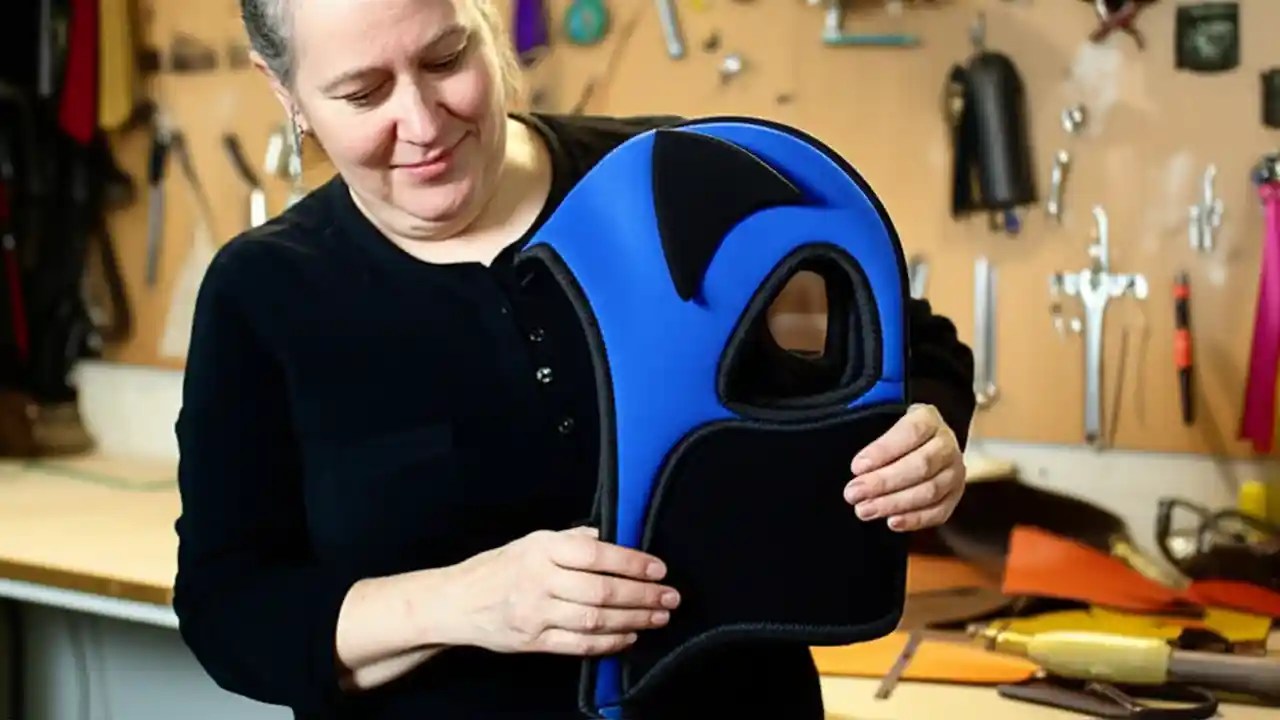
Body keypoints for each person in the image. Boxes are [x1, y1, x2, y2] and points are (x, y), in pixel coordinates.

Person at [172, 0, 977, 718]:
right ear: (285, 92)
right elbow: (229, 611)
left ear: (489, 21)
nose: (421, 122)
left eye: (446, 59)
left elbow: (915, 347)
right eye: (363, 93)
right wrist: (466, 603)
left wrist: (926, 429)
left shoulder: (673, 182)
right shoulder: (263, 292)